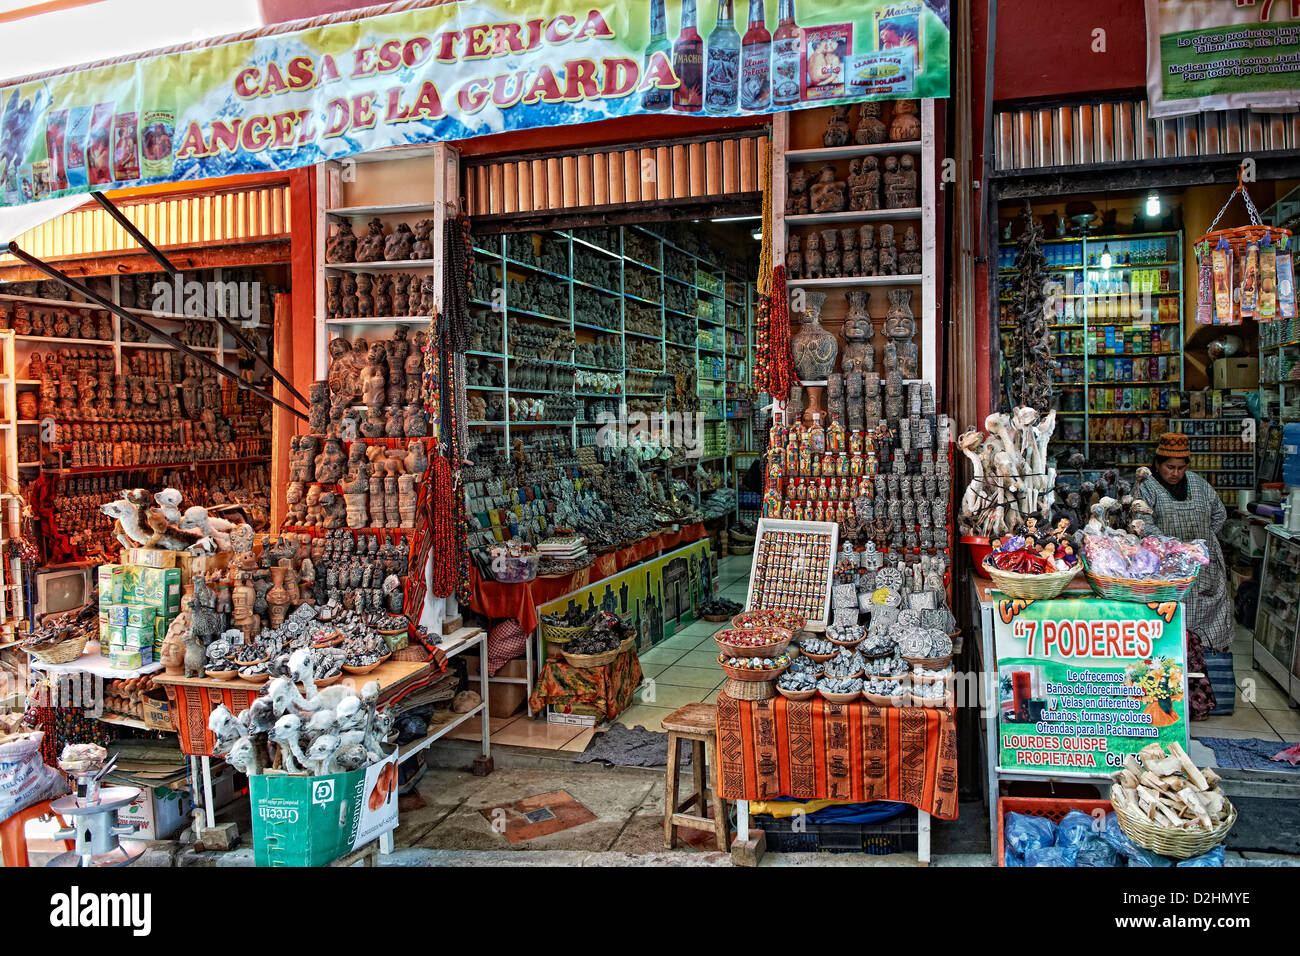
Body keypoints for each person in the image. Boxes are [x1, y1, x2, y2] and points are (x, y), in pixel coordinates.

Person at [1138, 432, 1232, 718]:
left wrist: (1200, 546)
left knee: (1209, 633)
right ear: (1157, 464)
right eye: (1169, 467)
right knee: (1173, 633)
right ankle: (1174, 702)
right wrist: (1174, 548)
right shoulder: (1147, 488)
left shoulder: (1201, 486)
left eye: (1181, 467)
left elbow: (1220, 515)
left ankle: (1211, 699)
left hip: (1205, 570)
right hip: (1167, 571)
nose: (1175, 473)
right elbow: (1142, 524)